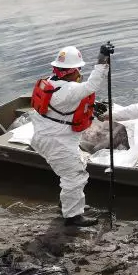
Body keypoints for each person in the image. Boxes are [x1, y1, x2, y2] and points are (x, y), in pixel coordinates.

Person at [29, 44, 112, 227]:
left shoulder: (51, 83)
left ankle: (68, 203)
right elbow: (92, 84)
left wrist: (92, 104)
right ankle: (72, 217)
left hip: (45, 137)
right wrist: (102, 59)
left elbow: (65, 104)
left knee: (71, 171)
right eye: (79, 70)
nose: (80, 73)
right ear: (73, 71)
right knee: (75, 176)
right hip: (56, 141)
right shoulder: (70, 90)